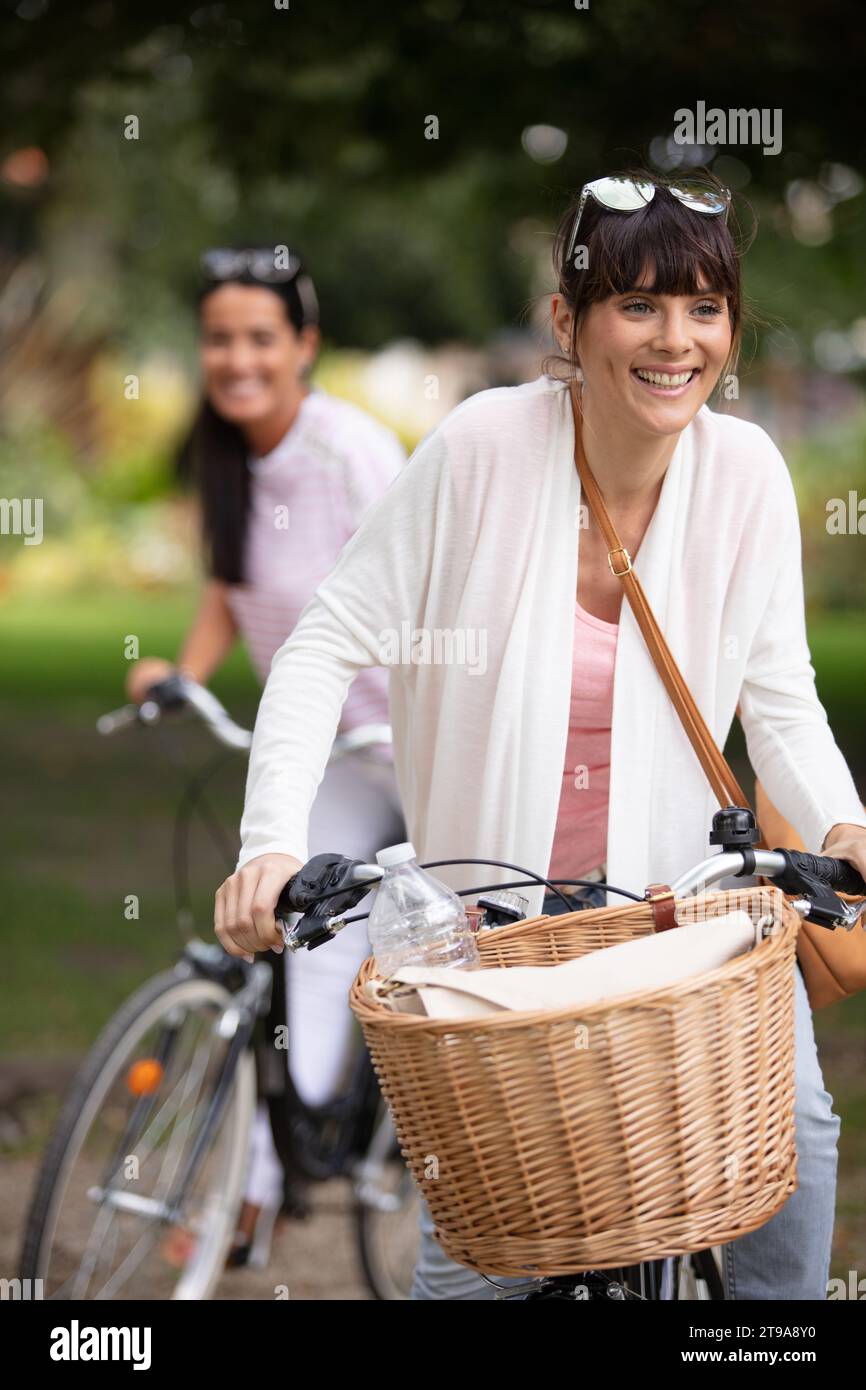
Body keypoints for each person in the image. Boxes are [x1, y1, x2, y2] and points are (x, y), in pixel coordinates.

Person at [213, 177, 866, 1299]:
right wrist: (269, 840)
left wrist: (847, 821)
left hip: (684, 922)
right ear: (567, 323)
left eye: (705, 307)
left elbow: (781, 699)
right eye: (639, 305)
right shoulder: (481, 451)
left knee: (792, 1147)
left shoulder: (745, 474)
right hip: (492, 934)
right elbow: (323, 645)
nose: (676, 340)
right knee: (480, 1255)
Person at [126, 246, 406, 1262]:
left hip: (410, 740)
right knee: (289, 936)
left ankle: (388, 1150)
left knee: (405, 951)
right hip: (325, 750)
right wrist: (184, 676)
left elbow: (423, 590)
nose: (235, 358)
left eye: (259, 338)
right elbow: (225, 584)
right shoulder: (225, 454)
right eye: (218, 338)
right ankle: (254, 1184)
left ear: (304, 347)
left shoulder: (352, 451)